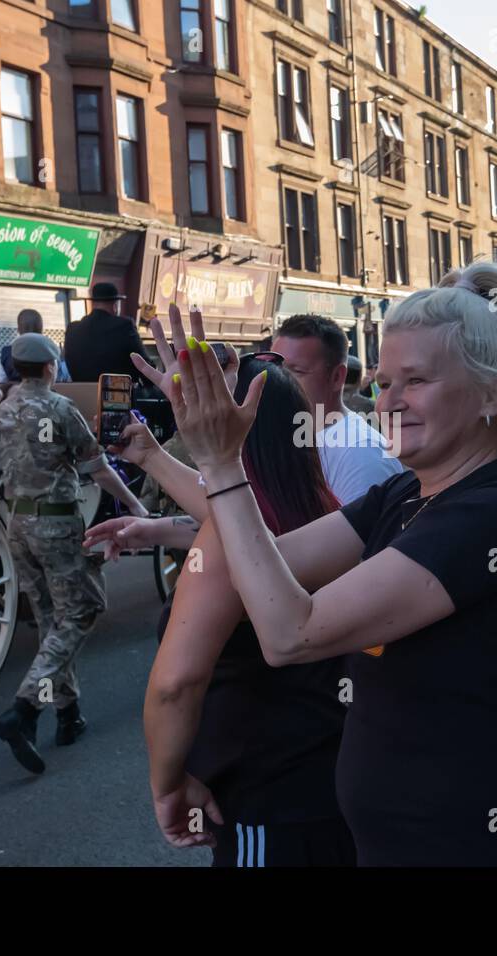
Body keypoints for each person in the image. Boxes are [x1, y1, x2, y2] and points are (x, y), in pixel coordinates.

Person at [142, 261, 497, 865]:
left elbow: (291, 631)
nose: (389, 400)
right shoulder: (406, 493)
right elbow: (263, 564)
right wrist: (190, 450)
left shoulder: (496, 513)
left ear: (493, 394)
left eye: (416, 380)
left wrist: (222, 467)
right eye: (384, 380)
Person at [90, 352, 355, 867]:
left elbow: (175, 685)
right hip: (331, 779)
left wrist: (166, 784)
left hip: (265, 799)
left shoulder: (233, 540)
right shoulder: (332, 514)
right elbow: (245, 522)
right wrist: (150, 459)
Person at [0, 333, 147, 774]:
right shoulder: (60, 409)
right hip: (58, 523)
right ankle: (24, 711)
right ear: (51, 368)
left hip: (16, 526)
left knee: (52, 619)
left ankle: (68, 716)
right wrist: (137, 506)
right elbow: (98, 469)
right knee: (84, 609)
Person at [272, 314, 402, 506]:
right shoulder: (283, 435)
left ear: (336, 377)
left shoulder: (361, 453)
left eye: (296, 371)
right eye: (274, 367)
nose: (277, 379)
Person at [63, 282, 151, 384]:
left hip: (81, 396)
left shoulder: (72, 329)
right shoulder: (125, 326)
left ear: (93, 303)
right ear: (115, 305)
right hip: (118, 397)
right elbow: (145, 366)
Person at [0, 309, 71, 383]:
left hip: (17, 393)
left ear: (18, 329)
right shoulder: (50, 351)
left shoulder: (6, 353)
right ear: (41, 329)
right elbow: (56, 379)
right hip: (45, 392)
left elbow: (1, 381)